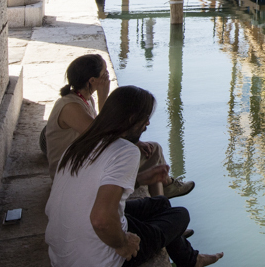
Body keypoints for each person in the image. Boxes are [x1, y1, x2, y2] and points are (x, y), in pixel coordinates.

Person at [45, 86, 223, 267]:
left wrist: (142, 178)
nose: (147, 123)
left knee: (161, 202)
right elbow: (101, 219)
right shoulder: (125, 151)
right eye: (145, 118)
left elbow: (98, 187)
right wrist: (123, 243)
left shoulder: (80, 144)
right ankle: (191, 263)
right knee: (180, 215)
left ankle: (190, 261)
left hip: (64, 261)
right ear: (130, 119)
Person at [41, 54, 194, 199]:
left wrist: (136, 142)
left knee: (152, 149)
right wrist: (103, 96)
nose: (107, 76)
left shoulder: (86, 100)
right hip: (72, 171)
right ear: (93, 81)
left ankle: (162, 200)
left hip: (86, 160)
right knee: (151, 155)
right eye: (104, 73)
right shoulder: (70, 106)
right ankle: (164, 193)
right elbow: (100, 135)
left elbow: (105, 131)